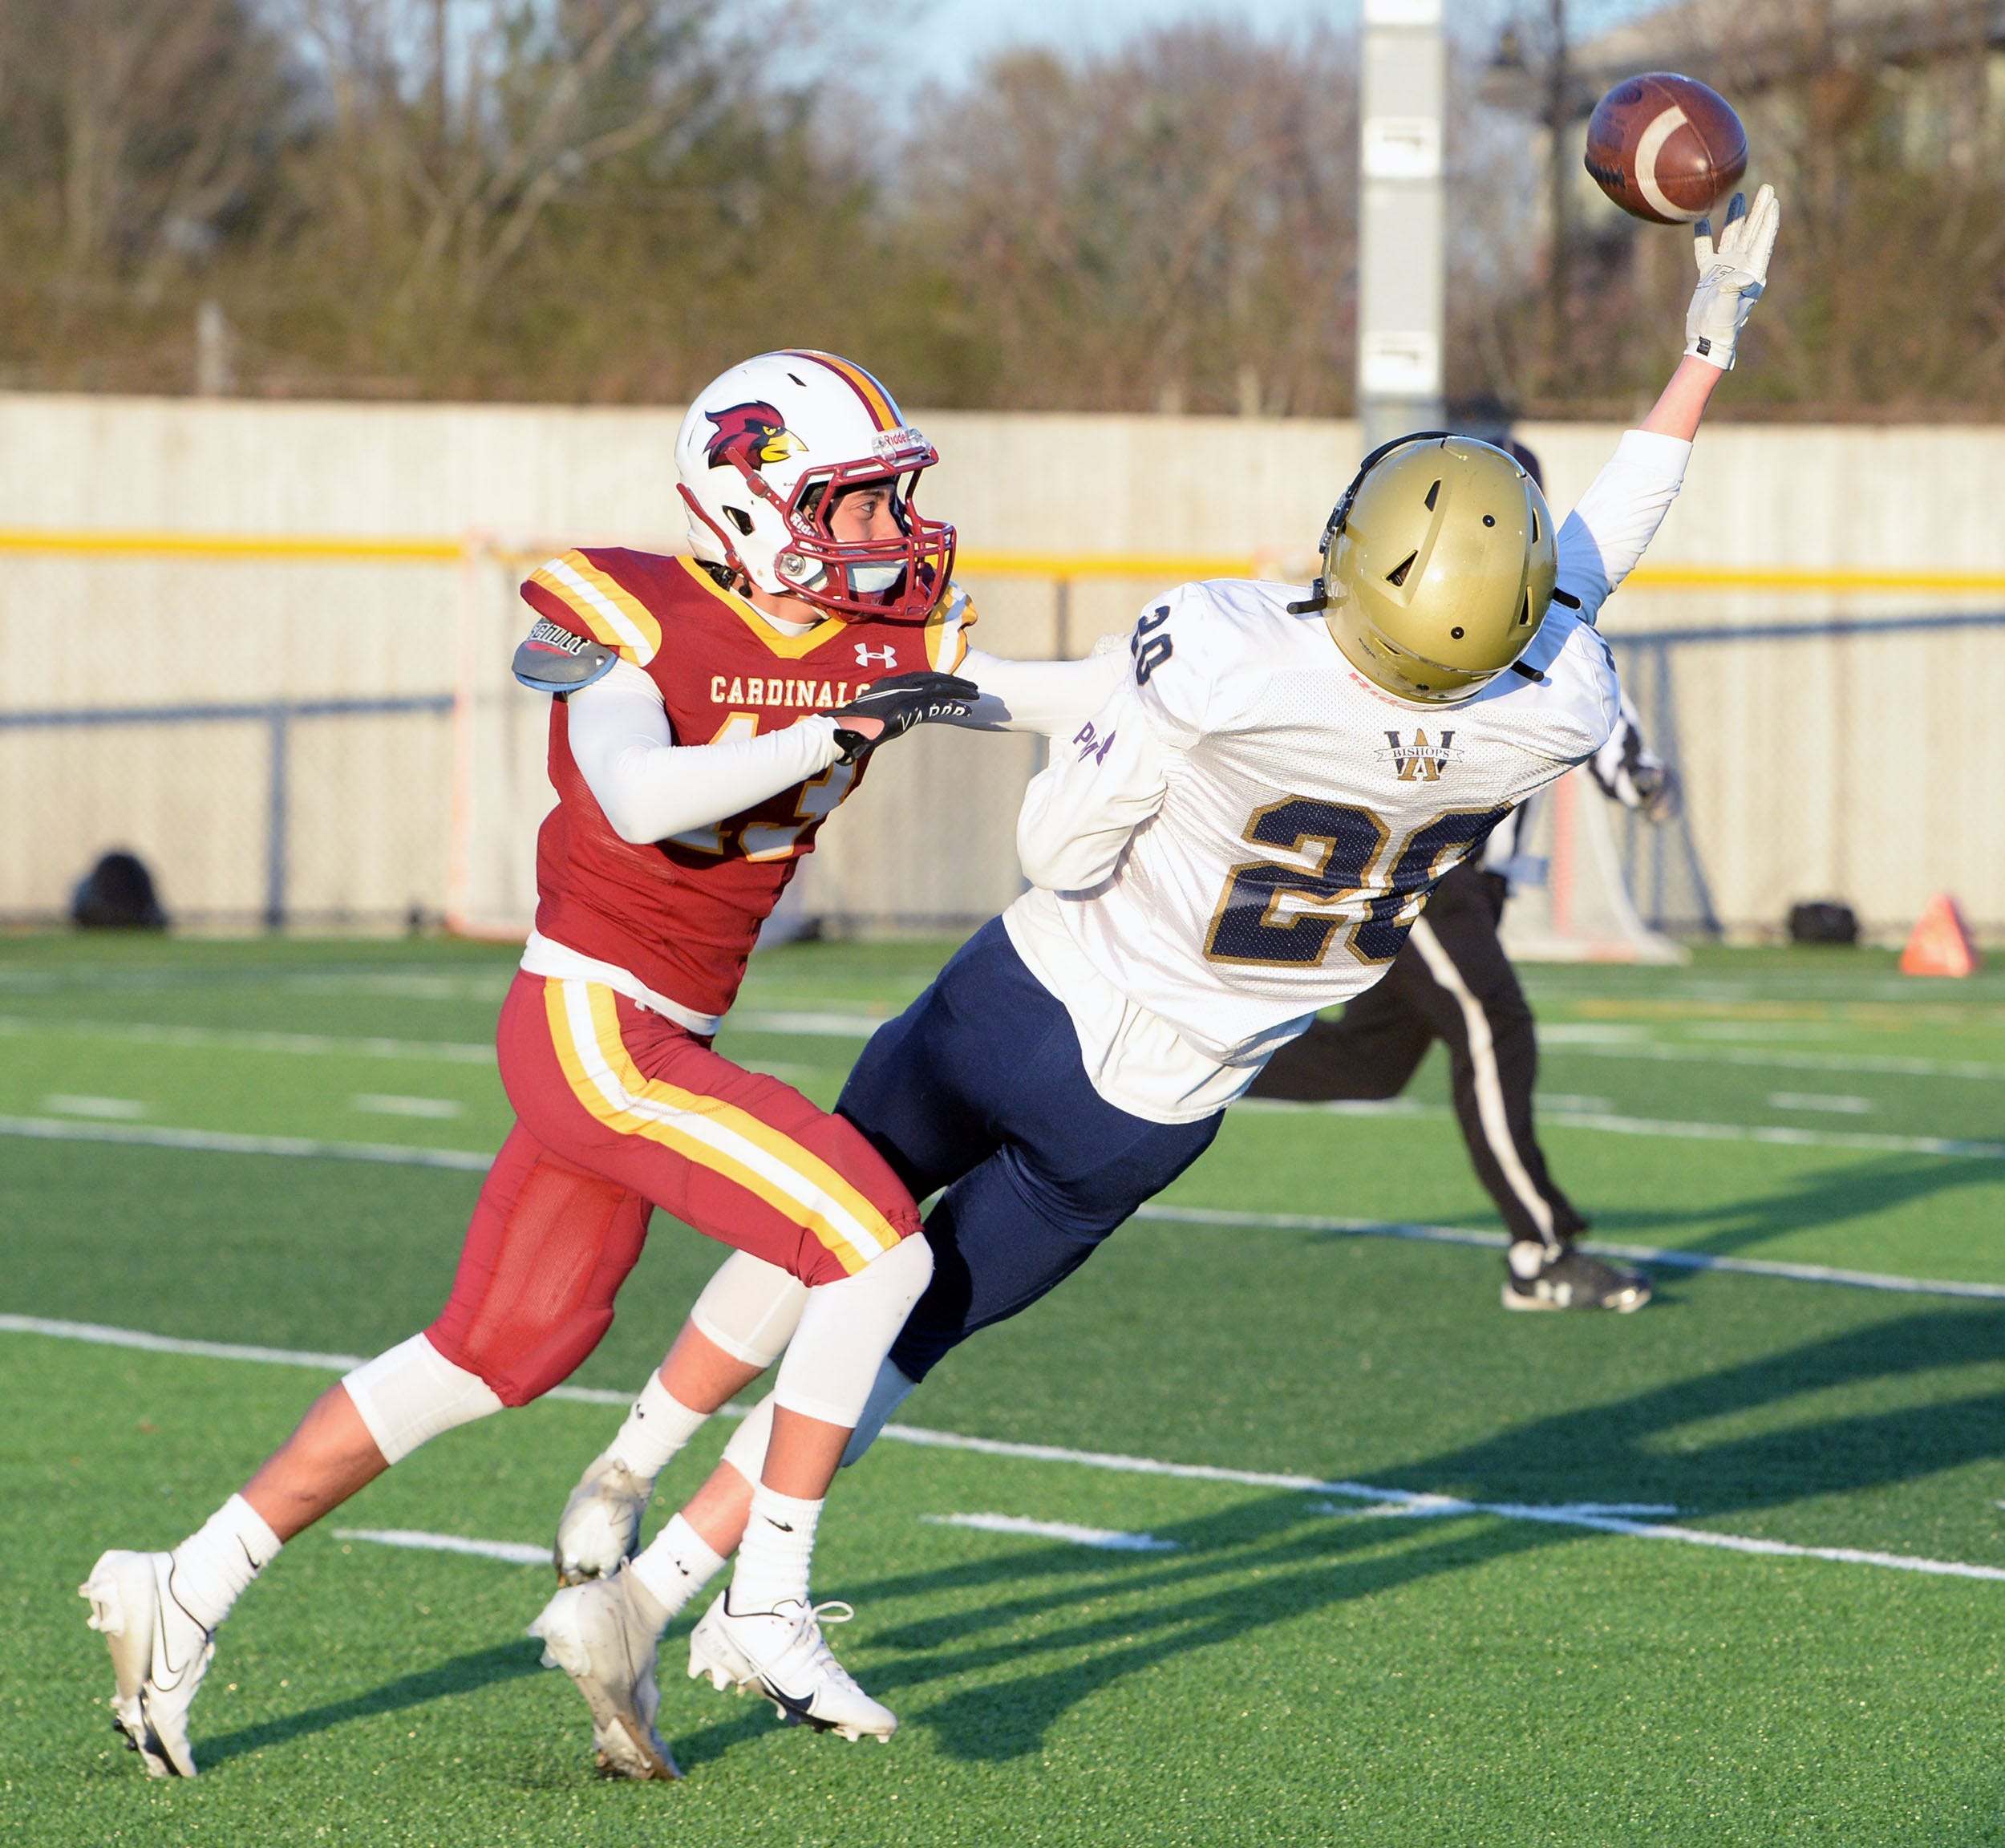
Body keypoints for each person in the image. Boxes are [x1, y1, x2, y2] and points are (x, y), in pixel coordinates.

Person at [533, 190, 1782, 1764]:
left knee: (824, 1228)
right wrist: (1700, 351)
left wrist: (960, 697)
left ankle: (633, 1470)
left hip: (1025, 990)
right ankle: (676, 1590)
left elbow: (1064, 840)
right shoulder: (1547, 701)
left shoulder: (1223, 644)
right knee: (899, 1342)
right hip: (1148, 1101)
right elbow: (1595, 545)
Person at [78, 348, 1115, 1782]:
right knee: (878, 1253)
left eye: (891, 502)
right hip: (592, 1022)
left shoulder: (886, 637)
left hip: (651, 1031)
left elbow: (1035, 688)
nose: (891, 533)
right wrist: (831, 723)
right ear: (750, 506)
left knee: (507, 1345)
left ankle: (185, 1577)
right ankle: (764, 1597)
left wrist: (1257, 667)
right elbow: (635, 788)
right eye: (855, 503)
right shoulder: (625, 605)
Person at [1249, 679, 1682, 1312]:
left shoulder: (1560, 642)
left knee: (1372, 1064)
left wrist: (1639, 776)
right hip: (1415, 867)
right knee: (1494, 1023)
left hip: (1468, 881)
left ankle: (1188, 1051)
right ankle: (1541, 1253)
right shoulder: (1479, 621)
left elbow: (1613, 731)